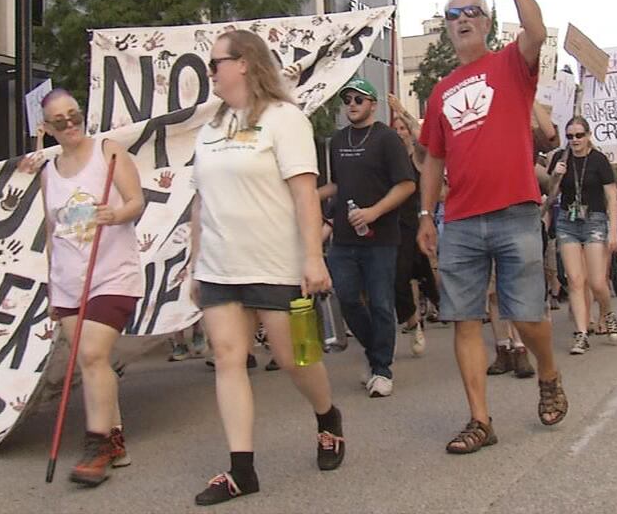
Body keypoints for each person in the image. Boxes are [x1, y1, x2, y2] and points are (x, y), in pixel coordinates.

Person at [417, 0, 568, 455]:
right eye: (452, 15)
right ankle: (480, 420)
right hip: (459, 220)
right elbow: (433, 159)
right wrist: (426, 214)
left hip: (515, 213)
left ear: (487, 24)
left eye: (471, 13)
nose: (461, 20)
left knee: (526, 316)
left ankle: (548, 372)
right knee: (464, 319)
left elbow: (538, 31)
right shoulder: (438, 93)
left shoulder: (510, 64)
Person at [189, 29, 343, 505]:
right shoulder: (210, 128)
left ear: (244, 64)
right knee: (229, 360)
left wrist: (313, 257)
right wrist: (195, 264)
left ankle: (327, 417)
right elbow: (199, 201)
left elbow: (303, 191)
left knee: (298, 359)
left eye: (215, 62)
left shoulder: (284, 119)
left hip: (275, 266)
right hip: (219, 267)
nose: (209, 71)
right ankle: (241, 469)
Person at [28, 89, 145, 486]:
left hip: (112, 274)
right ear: (46, 128)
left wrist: (116, 213)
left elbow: (136, 201)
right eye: (57, 120)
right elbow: (51, 231)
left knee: (94, 354)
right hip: (68, 281)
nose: (69, 124)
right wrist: (50, 288)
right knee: (91, 363)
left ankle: (96, 448)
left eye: (73, 114)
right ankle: (116, 440)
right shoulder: (48, 172)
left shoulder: (108, 152)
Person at [318, 78, 416, 397]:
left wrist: (374, 211)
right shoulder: (338, 139)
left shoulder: (388, 139)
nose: (352, 104)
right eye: (347, 99)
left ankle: (381, 368)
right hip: (344, 238)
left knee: (381, 304)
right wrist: (308, 193)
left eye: (359, 99)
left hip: (381, 237)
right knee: (346, 297)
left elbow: (406, 185)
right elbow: (339, 186)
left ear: (373, 104)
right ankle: (376, 355)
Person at [547, 116, 617, 355]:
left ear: (588, 135)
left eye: (579, 135)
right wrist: (556, 175)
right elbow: (551, 194)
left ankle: (607, 312)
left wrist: (614, 231)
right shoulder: (561, 158)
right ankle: (580, 334)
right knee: (575, 280)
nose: (574, 140)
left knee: (597, 282)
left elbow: (611, 197)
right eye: (570, 136)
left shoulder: (598, 160)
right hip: (568, 221)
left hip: (594, 221)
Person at [388, 94, 441, 356]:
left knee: (426, 274)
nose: (400, 133)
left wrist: (404, 114)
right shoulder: (388, 158)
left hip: (417, 222)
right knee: (399, 278)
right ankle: (413, 323)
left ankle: (443, 306)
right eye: (396, 129)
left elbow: (425, 140)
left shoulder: (418, 157)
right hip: (394, 225)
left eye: (402, 129)